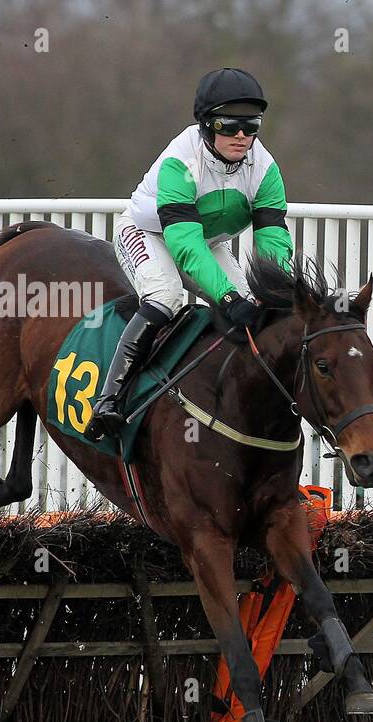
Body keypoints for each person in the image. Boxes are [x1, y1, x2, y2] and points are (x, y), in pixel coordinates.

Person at [86, 67, 294, 441]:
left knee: (253, 310)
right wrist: (226, 297)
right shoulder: (181, 161)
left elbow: (273, 243)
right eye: (229, 125)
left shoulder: (265, 169)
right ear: (206, 125)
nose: (242, 136)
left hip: (205, 242)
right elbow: (183, 245)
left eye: (252, 125)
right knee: (165, 296)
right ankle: (110, 400)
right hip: (149, 234)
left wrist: (270, 295)